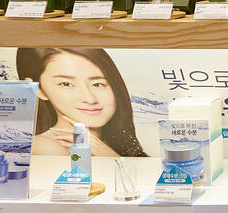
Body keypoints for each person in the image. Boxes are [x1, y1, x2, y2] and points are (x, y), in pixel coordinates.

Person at [16, 47, 147, 157]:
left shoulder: (114, 144)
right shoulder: (44, 147)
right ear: (38, 89)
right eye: (66, 84)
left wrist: (105, 152)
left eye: (97, 84)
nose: (89, 99)